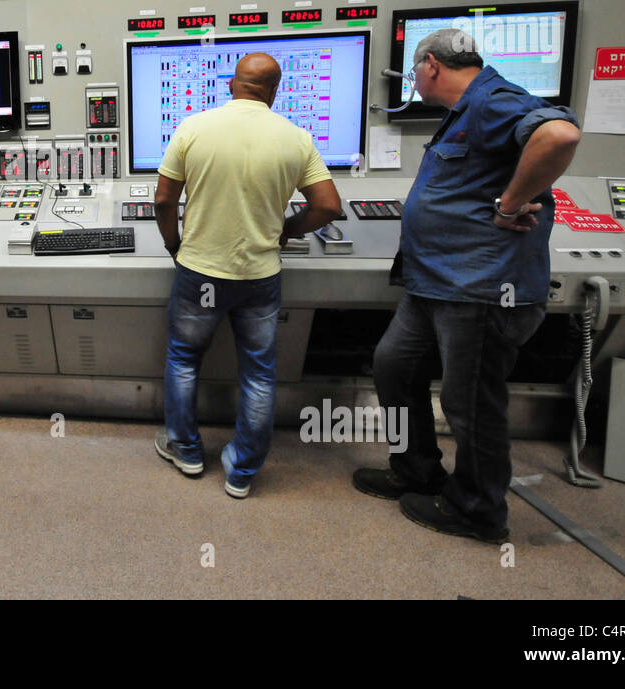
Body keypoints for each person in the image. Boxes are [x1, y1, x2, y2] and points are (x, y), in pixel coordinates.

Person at [353, 28, 581, 542]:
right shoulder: (464, 113)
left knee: (470, 401)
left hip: (479, 287)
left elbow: (560, 135)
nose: (414, 80)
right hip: (434, 282)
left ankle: (477, 510)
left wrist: (508, 203)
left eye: (415, 72)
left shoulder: (492, 101)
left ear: (431, 65)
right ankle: (415, 470)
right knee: (394, 365)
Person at [153, 52, 343, 498]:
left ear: (231, 84)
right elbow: (329, 206)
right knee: (258, 373)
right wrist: (287, 230)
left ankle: (187, 451)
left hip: (200, 272)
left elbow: (163, 201)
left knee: (184, 360)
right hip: (259, 276)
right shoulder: (296, 138)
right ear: (275, 92)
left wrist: (173, 245)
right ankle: (241, 470)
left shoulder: (193, 127)